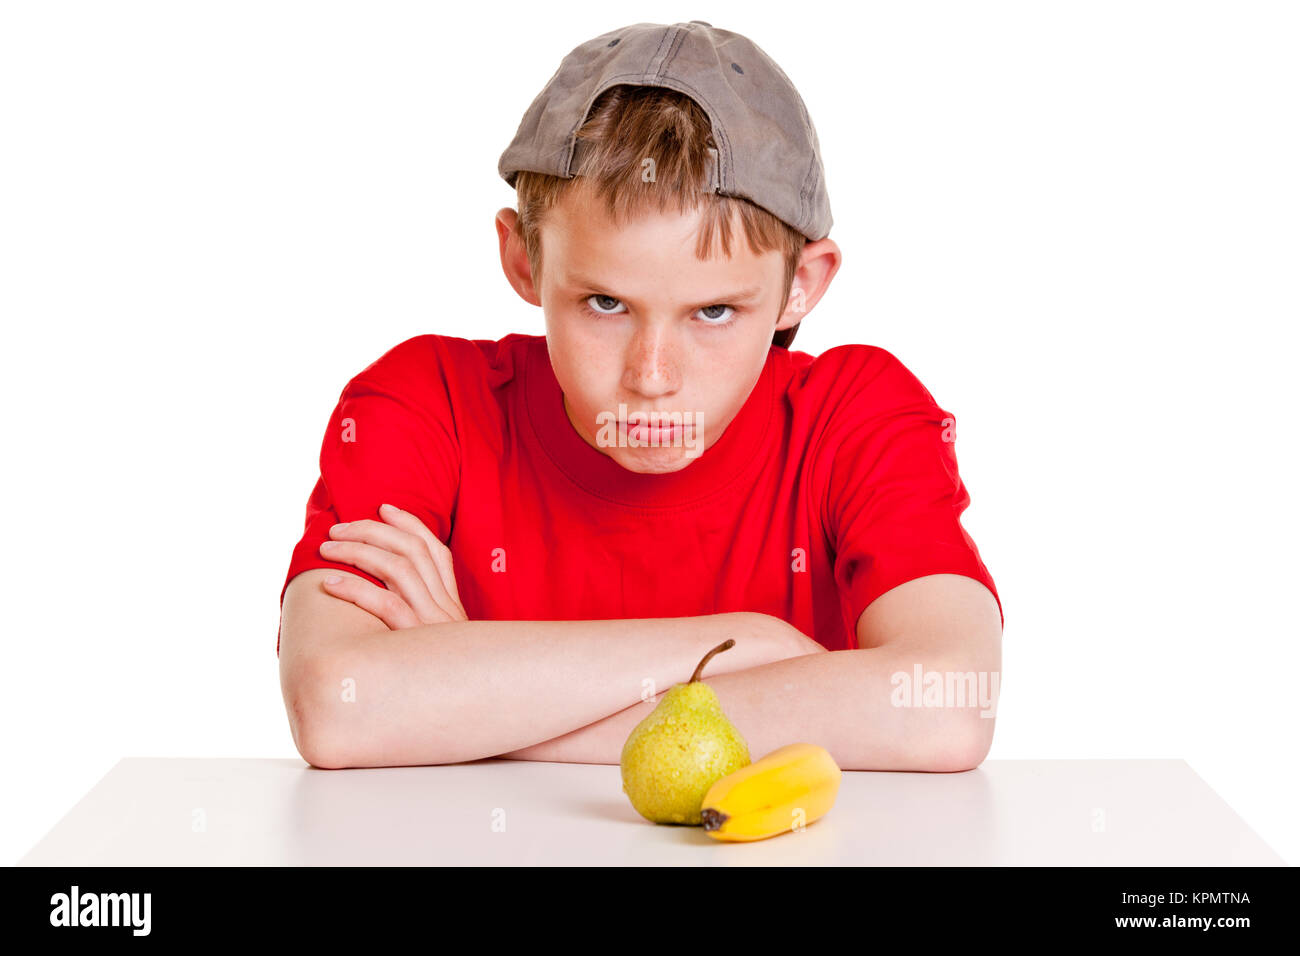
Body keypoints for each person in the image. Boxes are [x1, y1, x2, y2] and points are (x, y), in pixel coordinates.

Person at [276, 21, 1003, 772]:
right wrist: (746, 645)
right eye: (604, 304)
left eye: (714, 312)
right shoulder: (424, 405)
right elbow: (340, 705)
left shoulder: (857, 416)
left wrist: (478, 704)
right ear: (524, 260)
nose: (652, 377)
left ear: (801, 287)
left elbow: (949, 705)